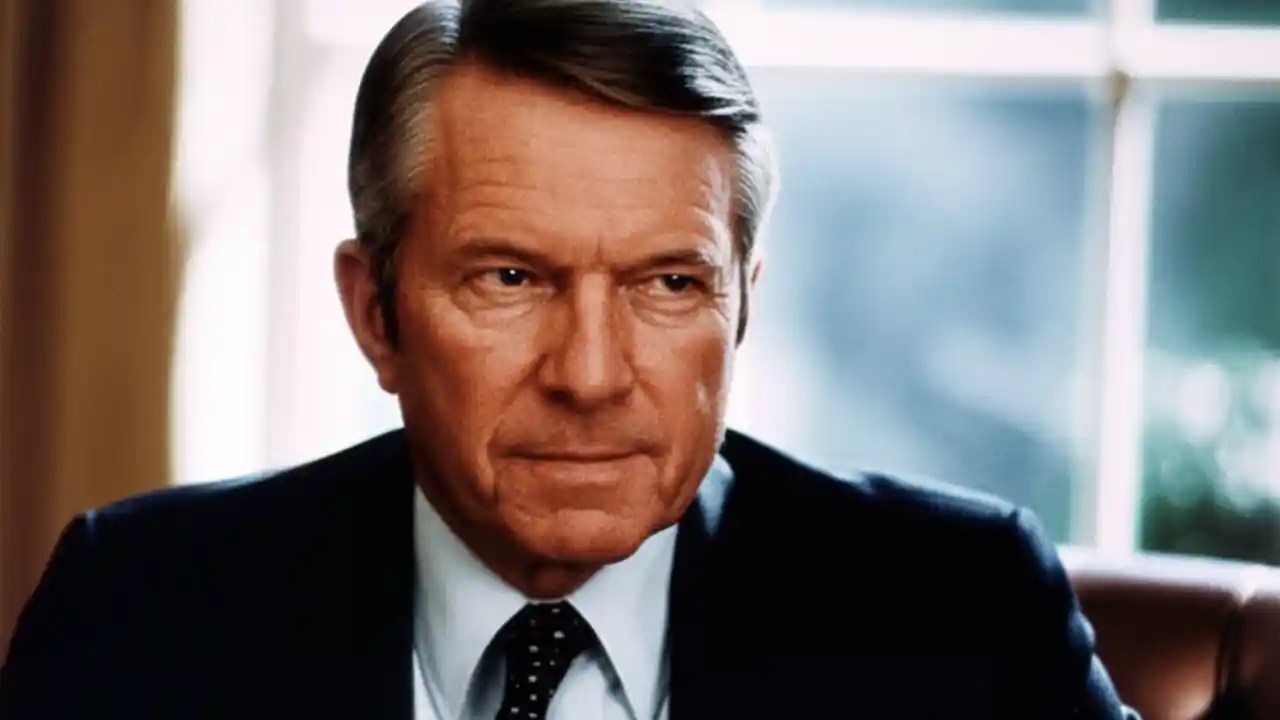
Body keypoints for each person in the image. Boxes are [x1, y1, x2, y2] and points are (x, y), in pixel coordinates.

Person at [0, 1, 1140, 718]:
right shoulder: (138, 611)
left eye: (668, 284)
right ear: (375, 313)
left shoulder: (960, 612)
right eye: (511, 278)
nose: (590, 376)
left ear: (742, 305)